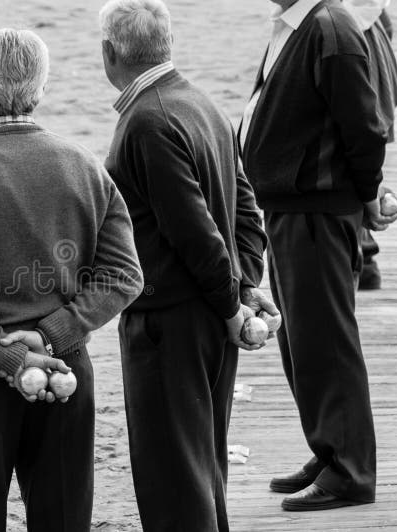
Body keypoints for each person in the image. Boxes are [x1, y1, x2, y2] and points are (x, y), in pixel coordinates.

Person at [0, 28, 143, 532]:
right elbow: (124, 276)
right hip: (65, 369)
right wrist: (52, 334)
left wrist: (3, 349)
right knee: (63, 518)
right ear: (41, 92)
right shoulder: (84, 166)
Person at [98, 1, 272, 530]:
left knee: (173, 481)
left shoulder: (147, 121)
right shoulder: (200, 101)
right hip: (210, 317)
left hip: (171, 325)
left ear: (110, 54)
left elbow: (195, 233)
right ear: (166, 43)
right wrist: (243, 290)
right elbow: (247, 209)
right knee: (202, 470)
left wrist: (230, 305)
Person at [240, 0, 397, 512]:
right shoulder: (299, 24)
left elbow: (366, 126)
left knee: (326, 341)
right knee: (303, 342)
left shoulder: (330, 28)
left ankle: (350, 470)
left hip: (318, 209)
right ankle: (329, 449)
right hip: (291, 206)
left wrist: (368, 193)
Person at [342, 0, 397, 289]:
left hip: (354, 34)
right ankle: (365, 258)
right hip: (364, 32)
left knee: (355, 144)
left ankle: (362, 257)